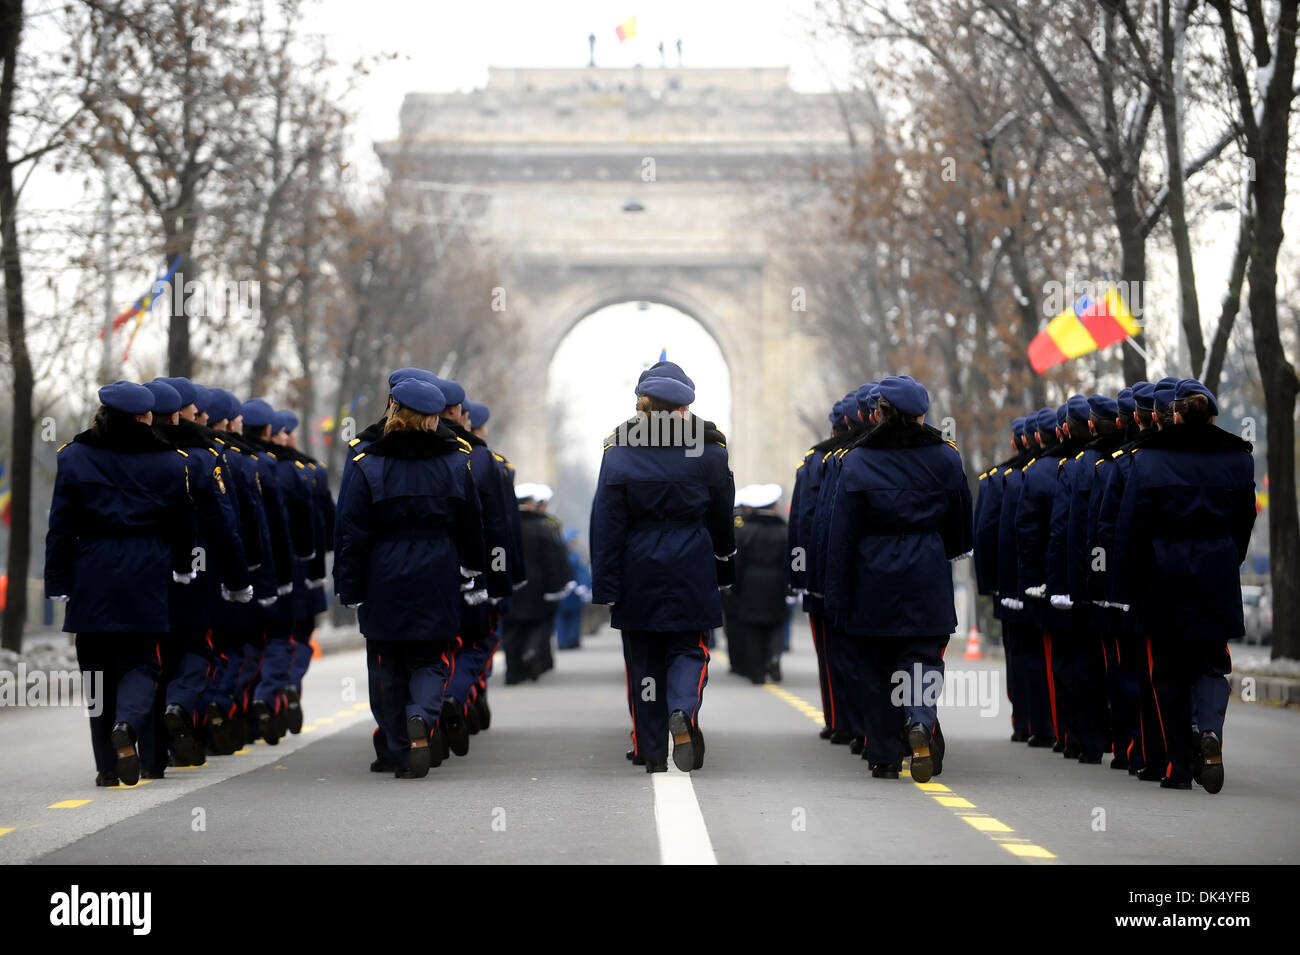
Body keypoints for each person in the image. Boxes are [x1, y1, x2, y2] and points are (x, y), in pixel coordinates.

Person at [45, 381, 197, 787]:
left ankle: (107, 768)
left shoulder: (74, 458)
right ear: (145, 417)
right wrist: (183, 566)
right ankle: (127, 724)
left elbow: (60, 526)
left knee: (96, 672)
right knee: (142, 662)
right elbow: (183, 524)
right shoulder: (169, 461)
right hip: (146, 570)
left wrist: (58, 579)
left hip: (91, 571)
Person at [333, 378, 486, 778]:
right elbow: (472, 522)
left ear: (393, 410)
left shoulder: (368, 461)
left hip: (383, 569)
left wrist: (349, 585)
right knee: (432, 658)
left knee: (386, 663)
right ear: (434, 419)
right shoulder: (456, 461)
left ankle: (398, 747)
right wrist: (471, 568)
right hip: (438, 566)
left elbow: (352, 529)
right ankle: (421, 716)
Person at [1109, 379, 1255, 793]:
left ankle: (1178, 766)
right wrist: (1229, 556)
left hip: (1163, 576)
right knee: (1211, 663)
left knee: (1168, 673)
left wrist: (1127, 587)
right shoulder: (1237, 459)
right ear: (1212, 416)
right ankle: (1208, 730)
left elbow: (1131, 529)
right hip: (1217, 573)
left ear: (1173, 415)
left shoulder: (1149, 460)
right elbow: (1244, 521)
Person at [823, 376, 971, 782]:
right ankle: (920, 719)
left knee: (875, 667)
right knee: (922, 658)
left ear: (879, 413)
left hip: (874, 573)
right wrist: (947, 551)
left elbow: (843, 535)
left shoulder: (857, 460)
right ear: (921, 414)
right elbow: (960, 521)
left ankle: (885, 755)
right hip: (926, 568)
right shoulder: (946, 458)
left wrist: (836, 592)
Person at [590, 362, 735, 773]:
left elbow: (607, 523)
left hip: (637, 563)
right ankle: (683, 711)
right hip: (692, 559)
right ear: (684, 409)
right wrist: (724, 562)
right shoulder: (709, 450)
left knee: (644, 660)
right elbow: (722, 517)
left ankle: (651, 751)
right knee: (690, 648)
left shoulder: (618, 452)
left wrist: (606, 583)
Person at [503, 483, 574, 682]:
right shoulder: (545, 527)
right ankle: (532, 651)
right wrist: (558, 585)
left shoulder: (504, 526)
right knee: (539, 623)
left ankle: (512, 672)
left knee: (511, 628)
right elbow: (555, 559)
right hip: (539, 586)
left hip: (511, 585)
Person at [725, 483, 790, 684]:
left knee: (752, 628)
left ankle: (757, 673)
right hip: (777, 583)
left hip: (750, 584)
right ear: (773, 506)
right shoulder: (784, 530)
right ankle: (773, 656)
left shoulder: (744, 531)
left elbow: (737, 562)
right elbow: (791, 560)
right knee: (776, 623)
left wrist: (734, 586)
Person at [554, 528, 592, 650]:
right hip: (568, 592)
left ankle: (570, 641)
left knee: (570, 618)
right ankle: (567, 641)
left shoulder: (571, 556)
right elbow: (583, 573)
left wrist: (584, 587)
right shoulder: (571, 557)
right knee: (565, 619)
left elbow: (583, 574)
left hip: (572, 593)